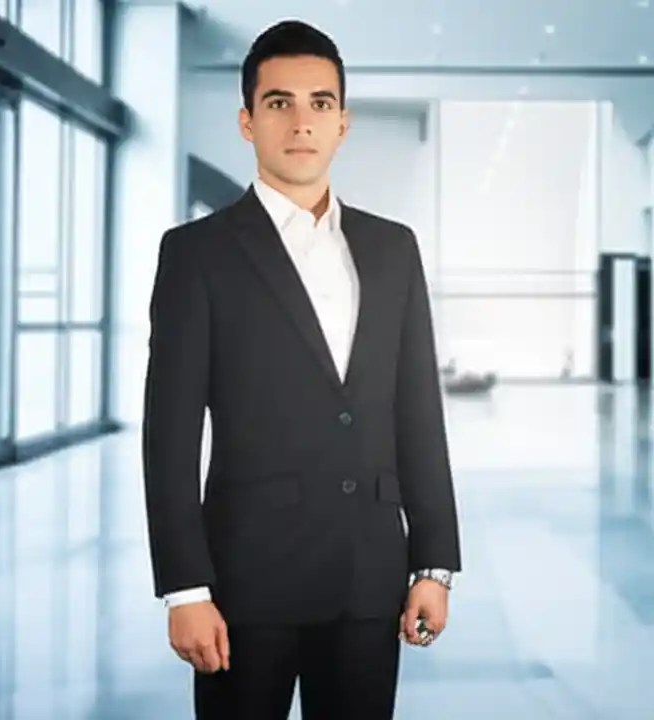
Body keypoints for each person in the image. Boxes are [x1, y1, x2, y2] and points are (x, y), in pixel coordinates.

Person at [141, 19, 461, 719]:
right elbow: (168, 435)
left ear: (342, 124)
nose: (301, 121)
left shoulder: (391, 249)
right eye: (280, 102)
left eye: (320, 103)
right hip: (244, 584)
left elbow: (417, 413)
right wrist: (185, 589)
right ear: (247, 121)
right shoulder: (198, 254)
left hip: (368, 579)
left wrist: (434, 564)